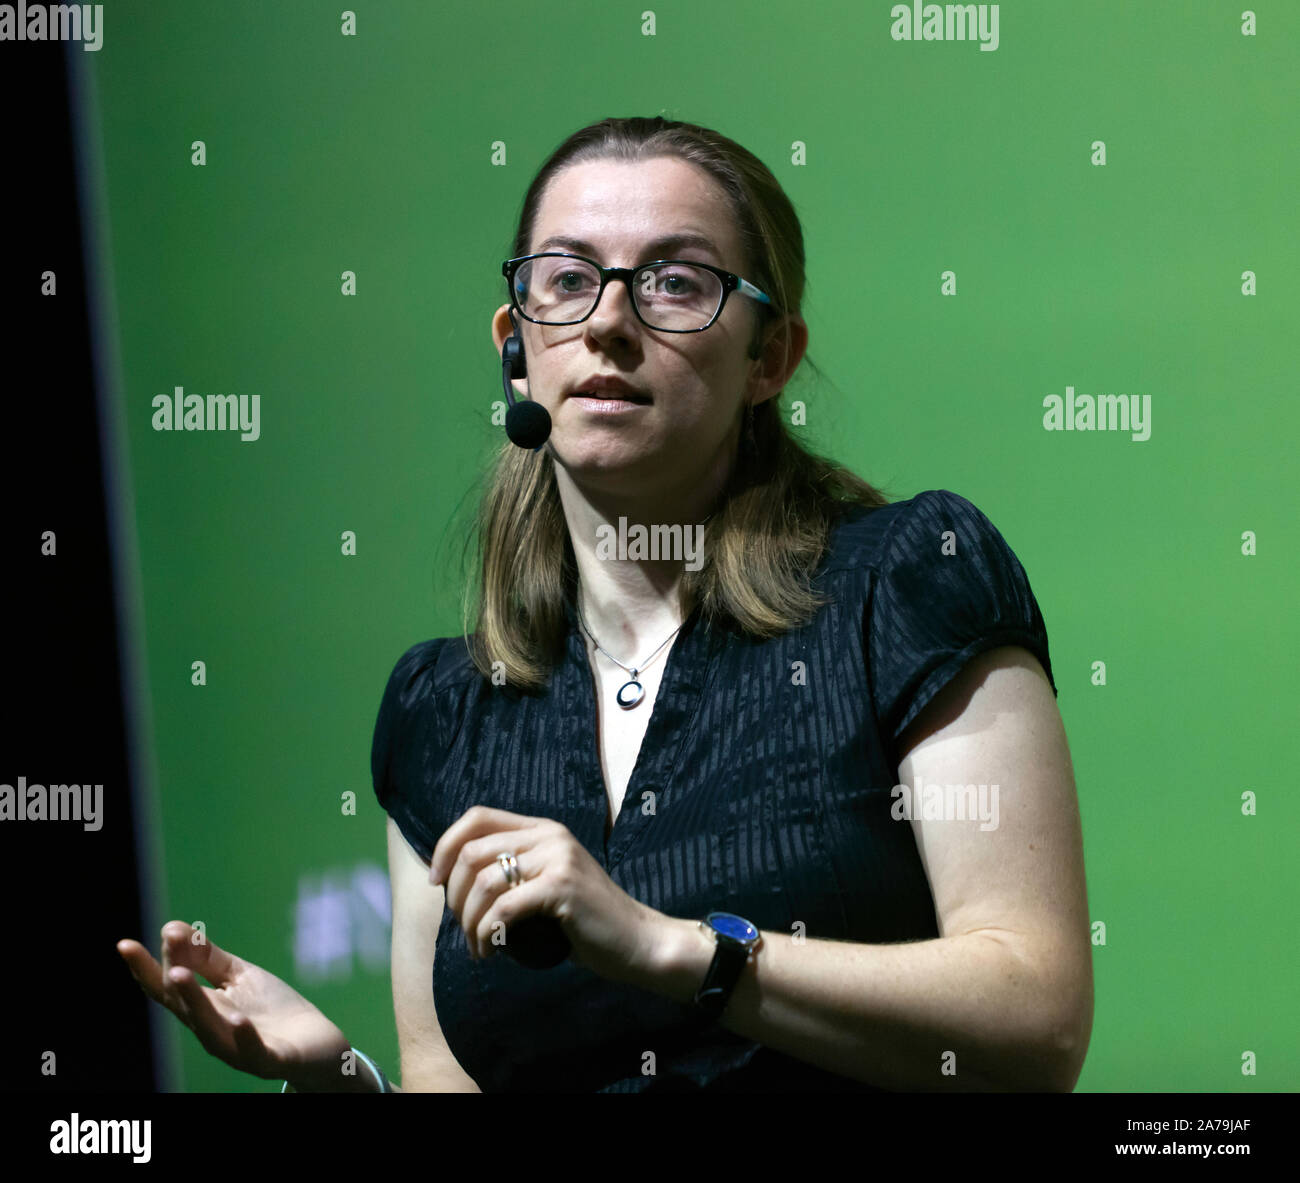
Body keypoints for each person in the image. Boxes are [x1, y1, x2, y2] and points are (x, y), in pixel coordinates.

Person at [117, 115, 1092, 1093]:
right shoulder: (443, 711)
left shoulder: (907, 578)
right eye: (569, 279)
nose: (608, 322)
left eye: (675, 281)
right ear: (515, 343)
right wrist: (339, 1078)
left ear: (770, 358)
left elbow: (1033, 1020)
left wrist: (661, 947)